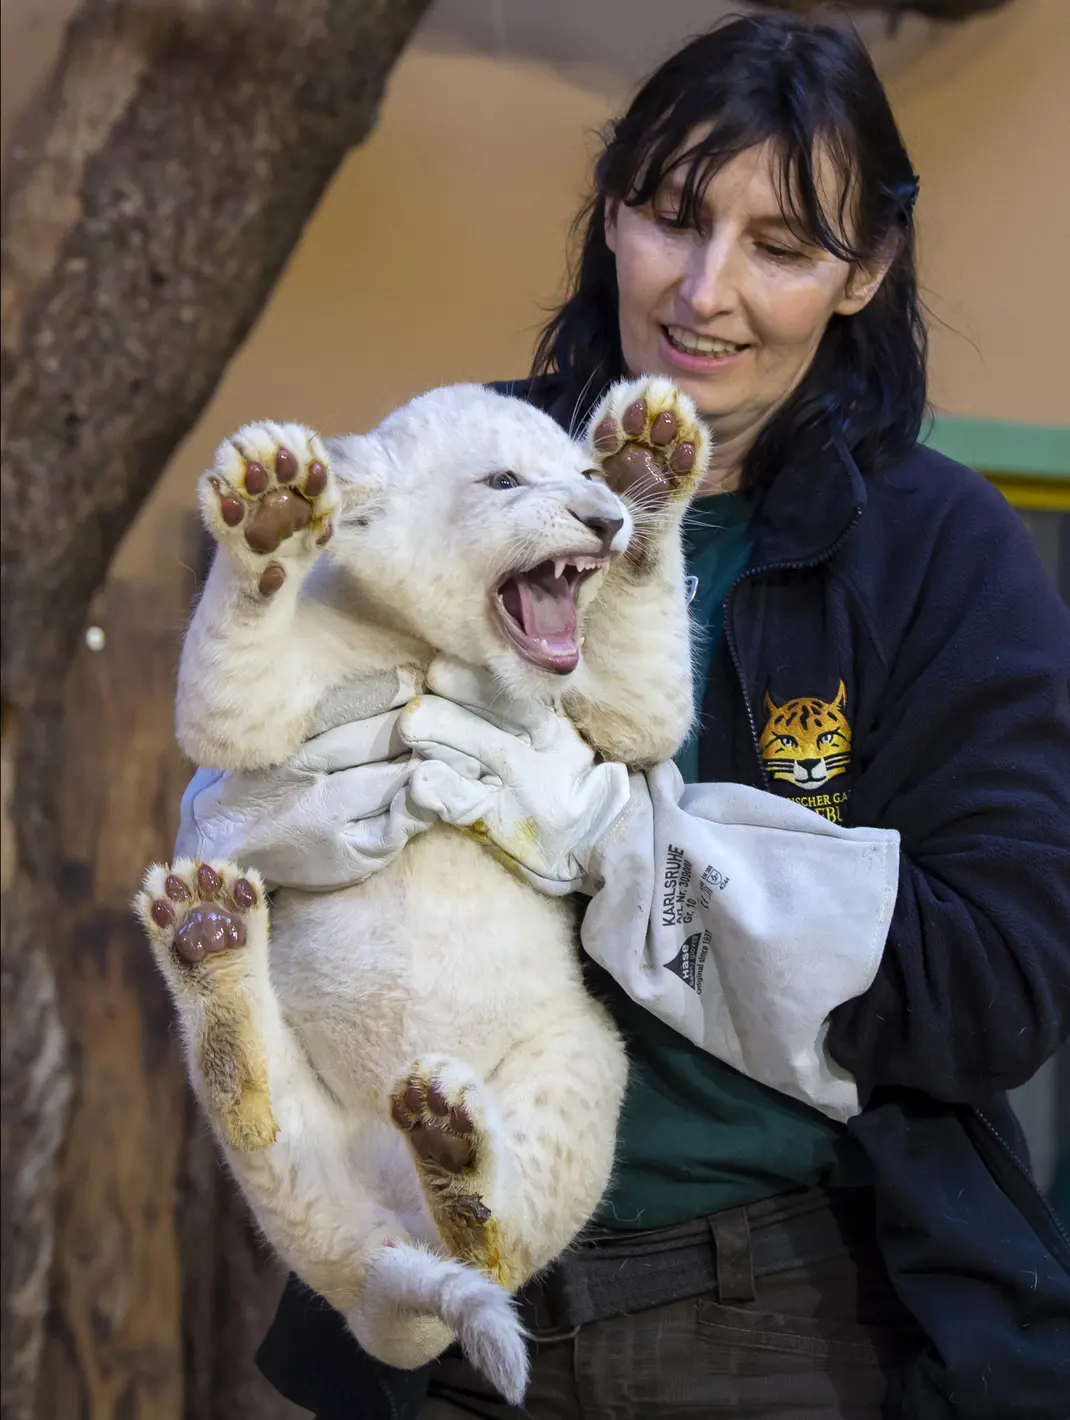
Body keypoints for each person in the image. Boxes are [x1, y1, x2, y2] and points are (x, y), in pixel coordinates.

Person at [175, 14, 1070, 1420]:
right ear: (609, 214)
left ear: (865, 273)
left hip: (777, 1305)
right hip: (425, 1279)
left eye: (779, 248)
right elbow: (264, 734)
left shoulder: (940, 551)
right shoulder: (461, 451)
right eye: (669, 218)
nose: (703, 291)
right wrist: (262, 803)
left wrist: (623, 845)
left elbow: (998, 985)